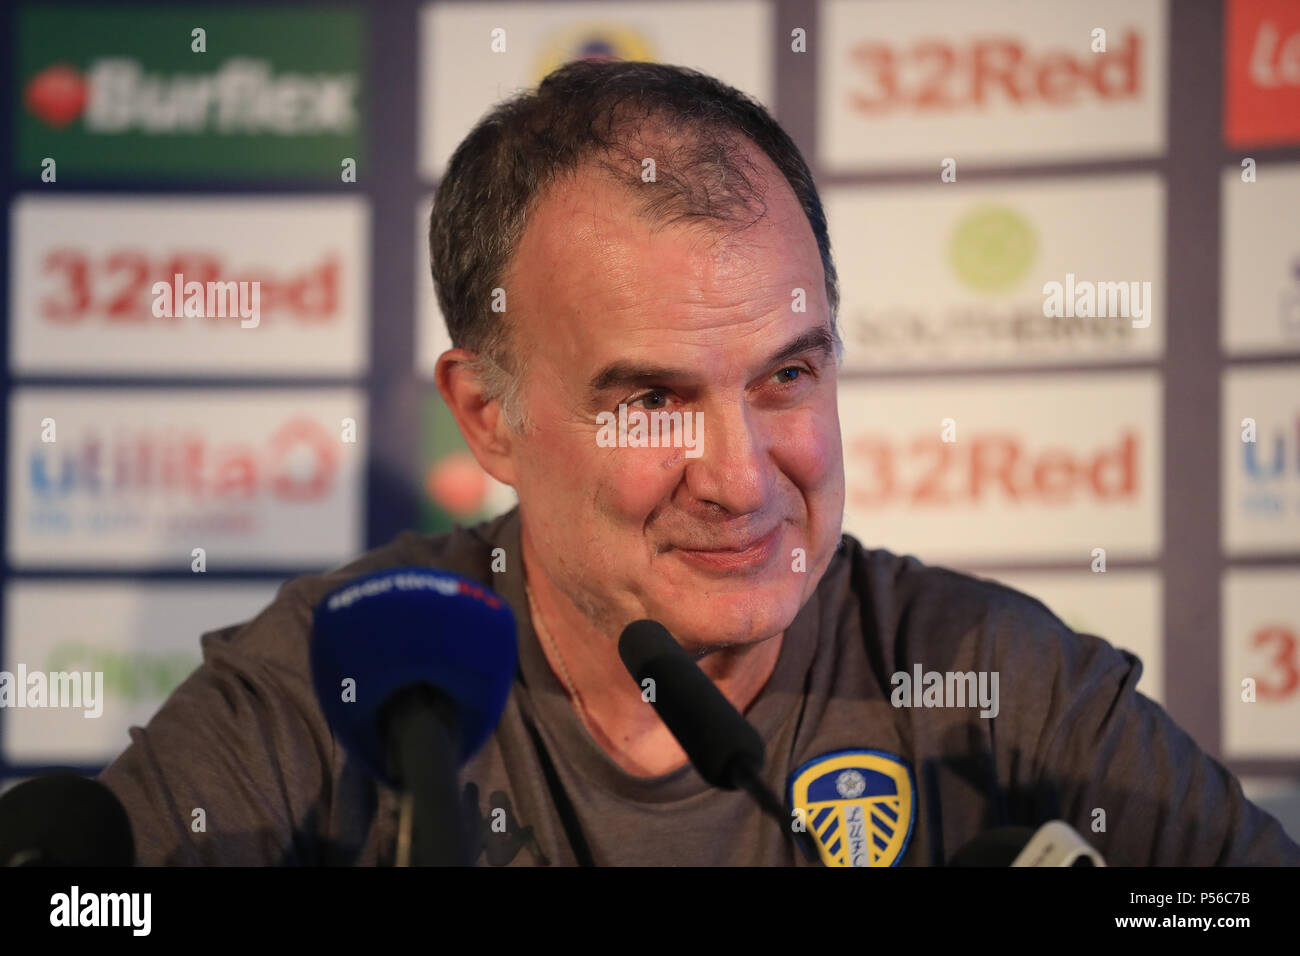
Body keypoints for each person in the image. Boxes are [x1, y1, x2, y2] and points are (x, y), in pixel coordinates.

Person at [99, 60, 1299, 866]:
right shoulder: (355, 679)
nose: (741, 478)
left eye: (786, 375)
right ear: (488, 414)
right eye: (650, 399)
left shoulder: (990, 677)